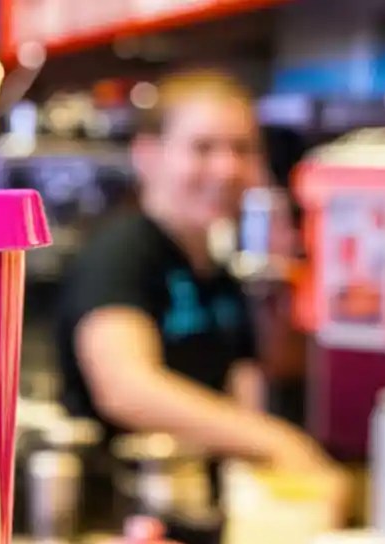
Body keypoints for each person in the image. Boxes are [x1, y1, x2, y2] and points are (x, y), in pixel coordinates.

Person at [57, 70, 348, 496]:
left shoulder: (219, 266)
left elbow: (257, 376)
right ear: (148, 154)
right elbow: (124, 387)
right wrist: (275, 442)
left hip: (197, 505)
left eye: (243, 149)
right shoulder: (122, 250)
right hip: (123, 514)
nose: (227, 168)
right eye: (203, 148)